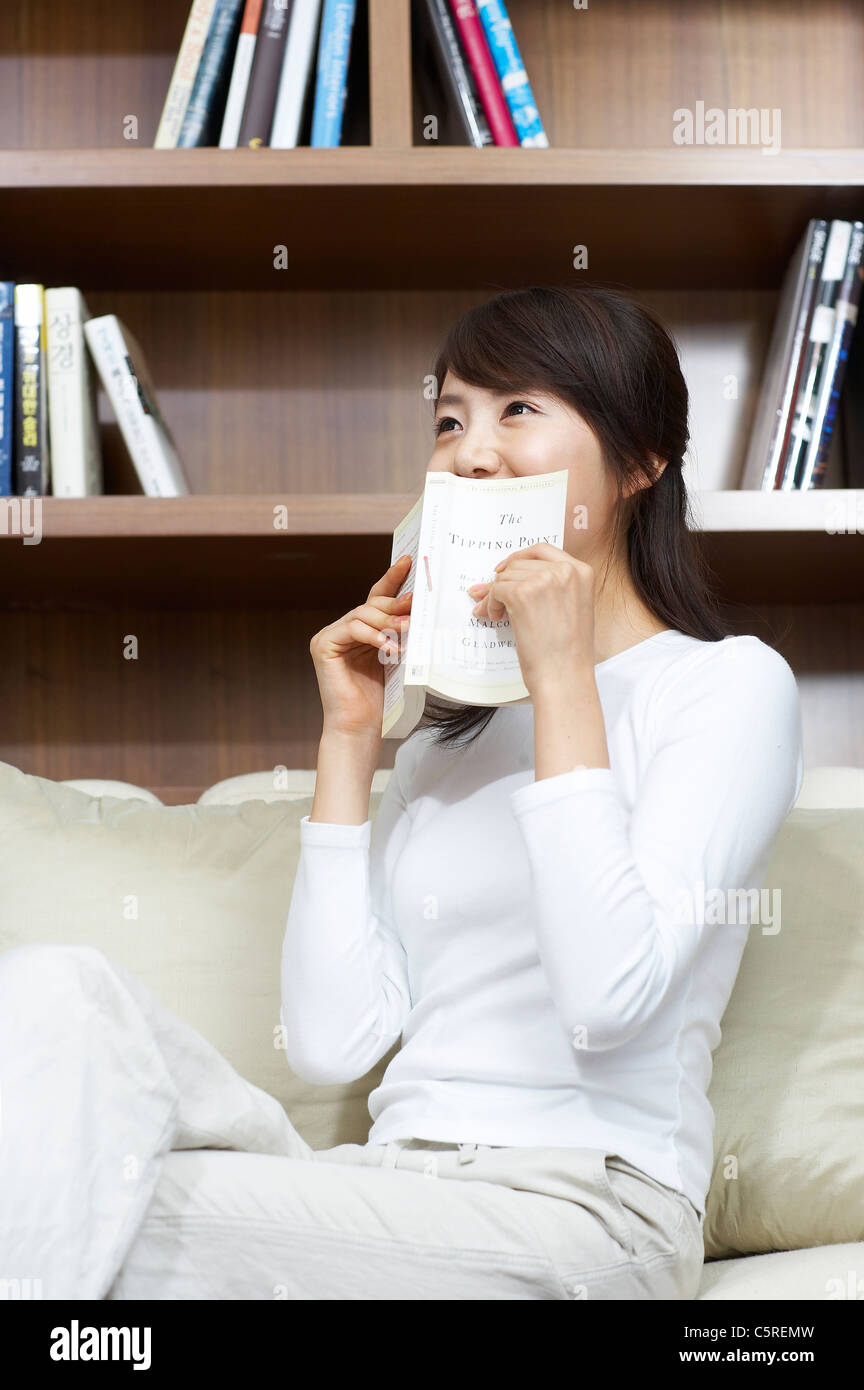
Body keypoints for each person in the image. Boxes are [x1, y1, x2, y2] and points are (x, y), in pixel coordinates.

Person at [0, 285, 803, 1301]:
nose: (471, 452)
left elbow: (609, 1001)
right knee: (53, 988)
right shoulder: (444, 739)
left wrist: (562, 678)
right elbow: (336, 1045)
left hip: (586, 1210)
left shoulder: (726, 687)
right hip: (392, 1186)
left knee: (87, 1195)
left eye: (520, 410)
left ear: (642, 461)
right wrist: (349, 739)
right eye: (450, 418)